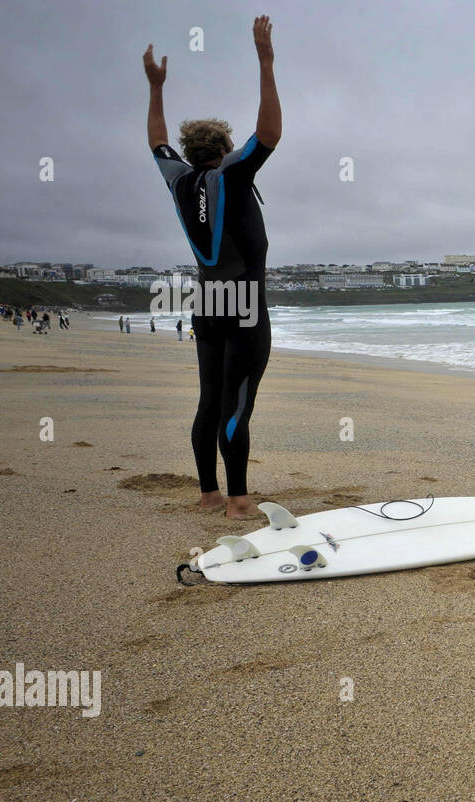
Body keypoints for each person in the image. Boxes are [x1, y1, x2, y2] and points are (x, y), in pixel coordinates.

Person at [145, 16, 280, 518]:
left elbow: (156, 143)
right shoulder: (234, 174)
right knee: (237, 403)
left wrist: (156, 89)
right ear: (225, 150)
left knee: (210, 401)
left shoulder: (178, 180)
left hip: (208, 303)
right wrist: (266, 60)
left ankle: (209, 493)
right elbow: (268, 134)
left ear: (191, 152)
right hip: (245, 305)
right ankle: (240, 502)